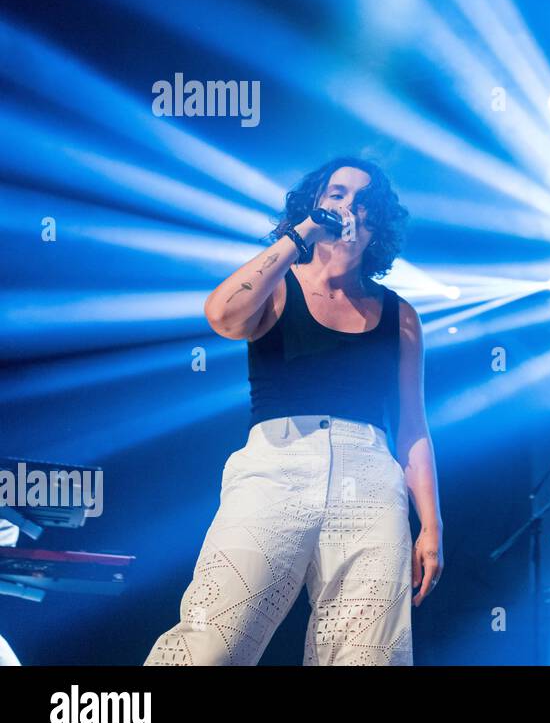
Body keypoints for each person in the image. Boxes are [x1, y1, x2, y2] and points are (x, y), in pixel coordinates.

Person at [145, 157, 443, 665]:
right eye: (337, 194)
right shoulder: (278, 285)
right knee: (213, 640)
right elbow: (222, 316)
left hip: (369, 477)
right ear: (316, 203)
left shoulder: (399, 314)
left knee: (368, 654)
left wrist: (431, 526)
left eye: (364, 202)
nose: (349, 207)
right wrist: (299, 237)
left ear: (379, 224)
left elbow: (413, 425)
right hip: (276, 467)